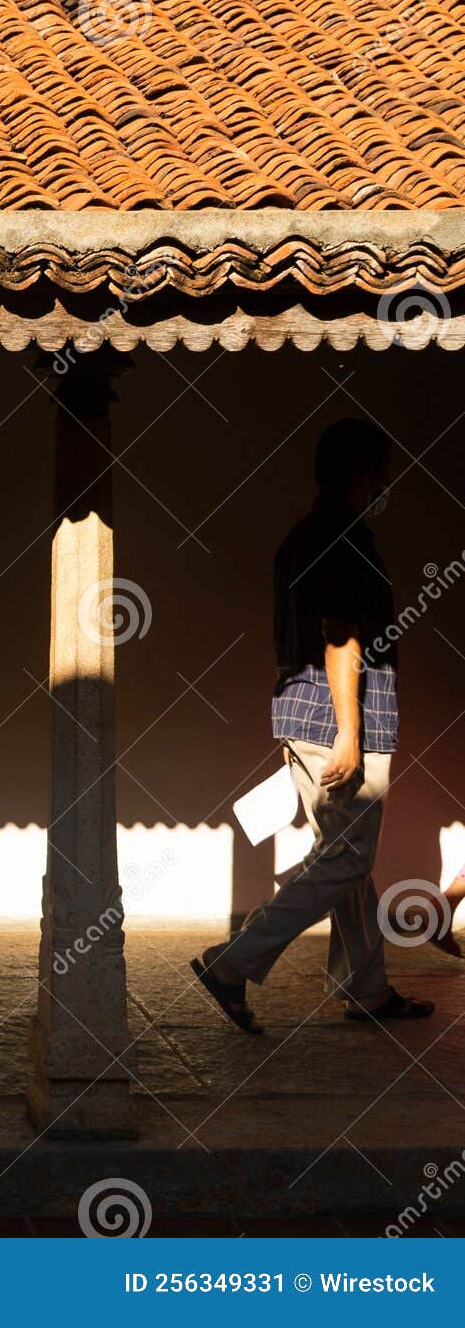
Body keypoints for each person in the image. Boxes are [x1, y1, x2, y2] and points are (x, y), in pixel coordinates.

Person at [191, 417, 433, 1031]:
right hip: (341, 718)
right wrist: (350, 733)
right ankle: (232, 962)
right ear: (362, 474)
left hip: (303, 713)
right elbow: (339, 638)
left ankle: (368, 988)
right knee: (348, 860)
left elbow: (294, 639)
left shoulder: (299, 538)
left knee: (342, 856)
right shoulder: (346, 538)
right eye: (383, 471)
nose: (388, 482)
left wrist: (297, 733)